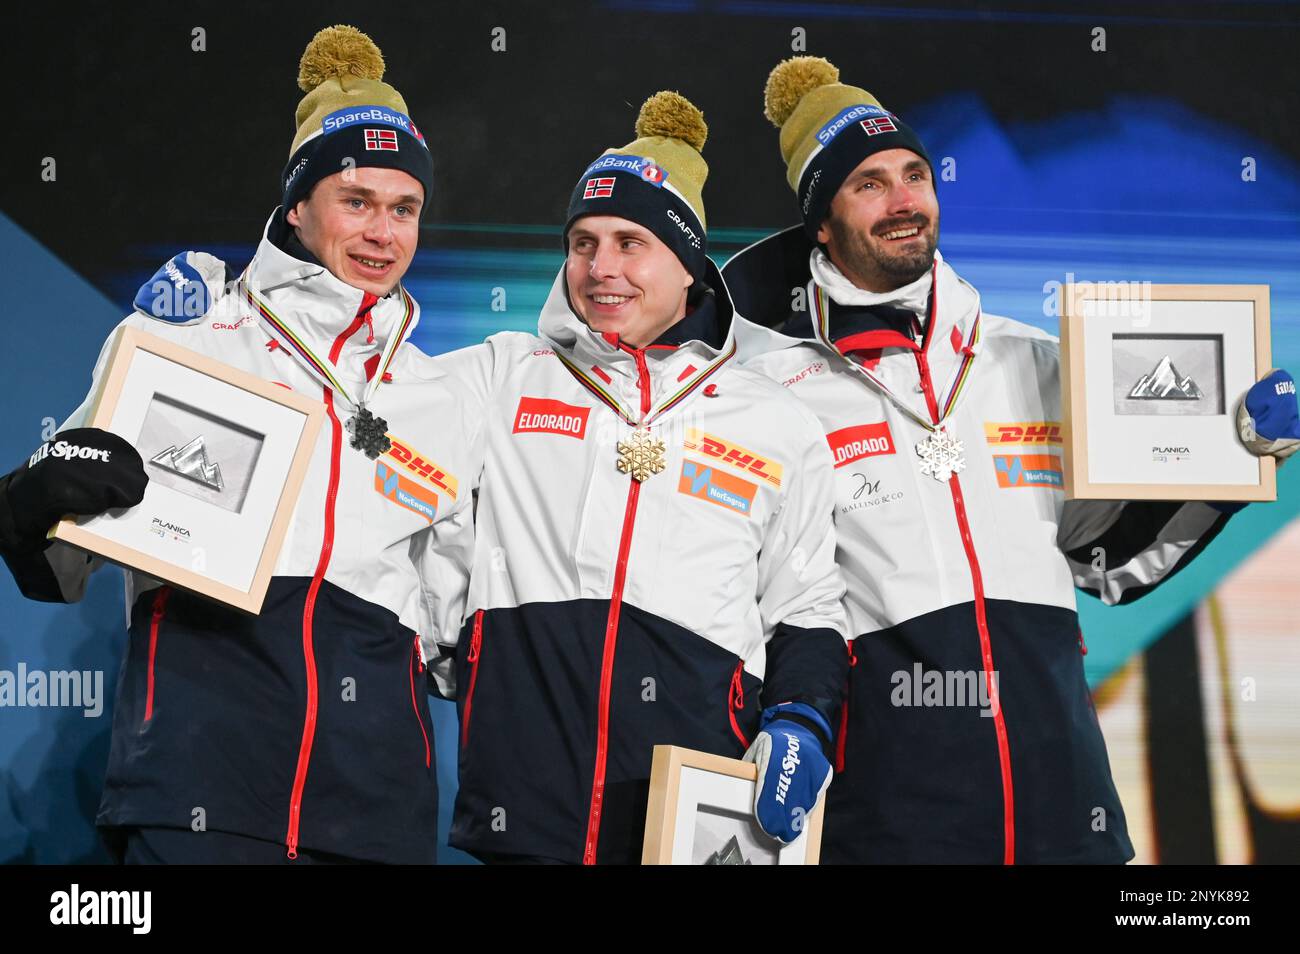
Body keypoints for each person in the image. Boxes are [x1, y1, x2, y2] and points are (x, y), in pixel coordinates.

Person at [721, 56, 1300, 864]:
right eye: (869, 184)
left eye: (915, 175)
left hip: (1065, 815)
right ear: (822, 221)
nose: (903, 201)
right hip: (889, 828)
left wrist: (1235, 453)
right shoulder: (767, 393)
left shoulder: (1031, 360)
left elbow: (1105, 558)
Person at [0, 25, 478, 864]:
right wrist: (30, 500)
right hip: (198, 785)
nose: (383, 232)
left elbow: (450, 635)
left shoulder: (441, 397)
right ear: (297, 205)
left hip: (376, 813)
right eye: (356, 201)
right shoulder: (182, 336)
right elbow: (61, 551)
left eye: (404, 208)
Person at [432, 92, 849, 865]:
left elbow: (808, 605)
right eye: (583, 243)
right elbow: (366, 413)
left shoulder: (773, 419)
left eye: (631, 242)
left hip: (692, 819)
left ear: (688, 264)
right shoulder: (504, 377)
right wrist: (231, 323)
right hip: (524, 815)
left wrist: (803, 719)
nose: (601, 269)